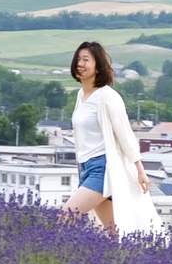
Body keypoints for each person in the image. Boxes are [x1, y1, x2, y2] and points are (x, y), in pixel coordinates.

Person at [62, 41, 164, 239]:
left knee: (66, 216)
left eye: (86, 60)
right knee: (115, 234)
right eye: (78, 59)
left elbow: (125, 134)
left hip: (104, 169)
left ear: (98, 66)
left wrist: (140, 171)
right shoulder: (81, 95)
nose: (80, 64)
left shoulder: (108, 97)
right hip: (86, 168)